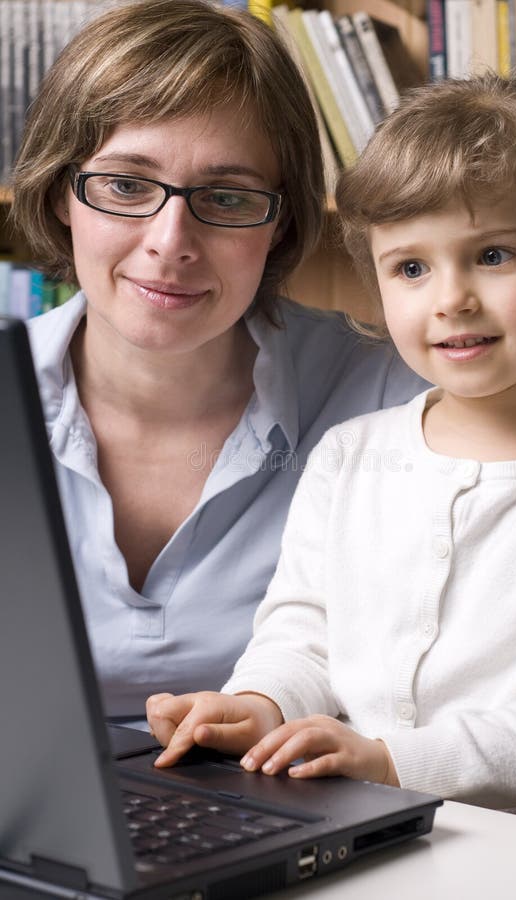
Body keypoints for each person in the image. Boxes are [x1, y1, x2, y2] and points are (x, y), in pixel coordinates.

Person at [146, 74, 516, 828]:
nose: (451, 297)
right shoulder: (347, 454)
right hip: (348, 827)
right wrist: (256, 705)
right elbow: (301, 637)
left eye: (492, 254)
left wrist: (392, 764)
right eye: (411, 268)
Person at [8, 0, 426, 725]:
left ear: (282, 221)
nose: (171, 242)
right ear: (59, 194)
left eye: (227, 197)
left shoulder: (396, 397)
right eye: (127, 185)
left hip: (297, 812)